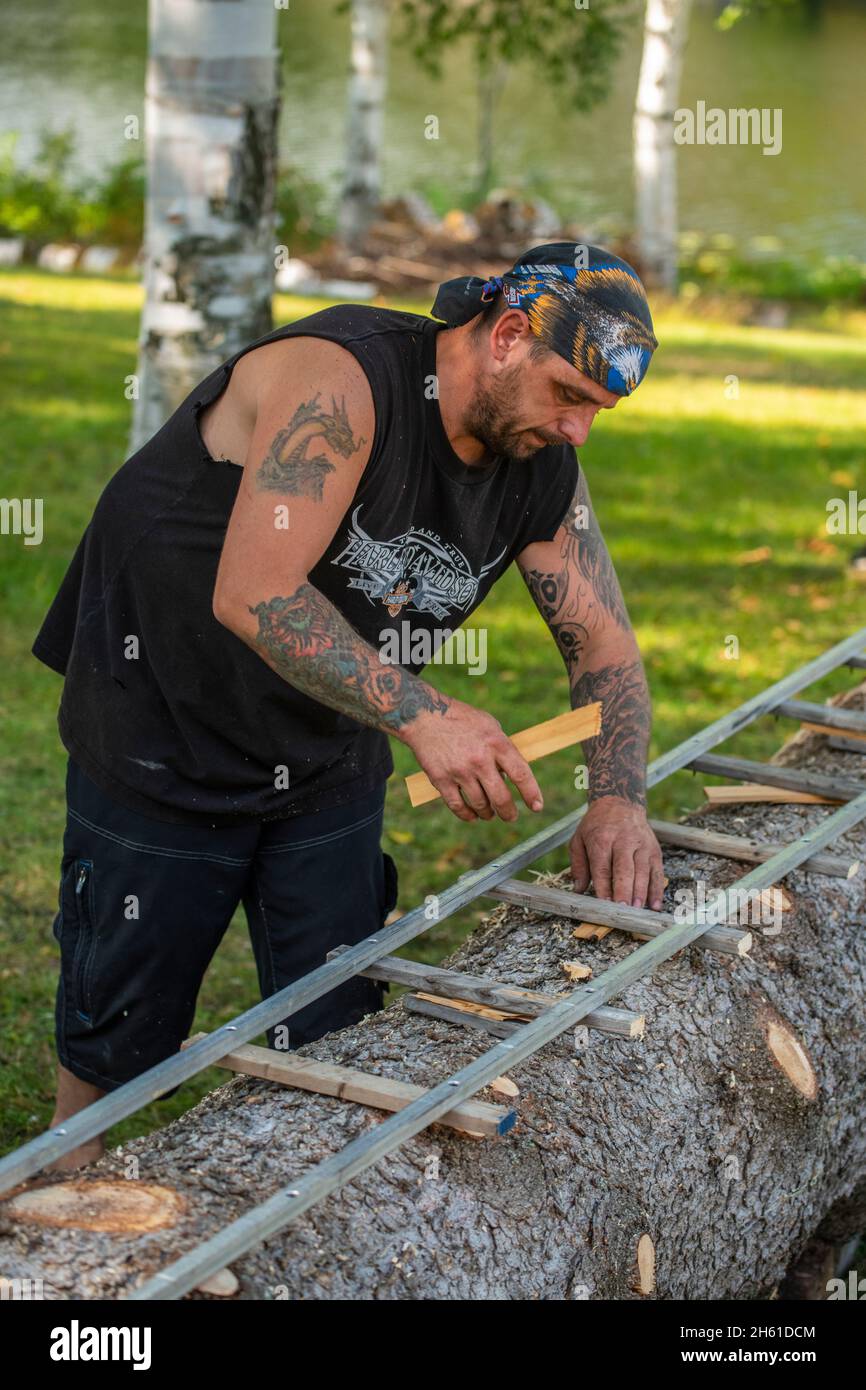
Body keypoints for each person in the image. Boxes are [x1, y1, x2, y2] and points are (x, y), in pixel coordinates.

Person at [32, 241, 665, 1168]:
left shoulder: (537, 463)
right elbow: (255, 592)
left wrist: (618, 798)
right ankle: (50, 1215)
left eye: (597, 412)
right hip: (163, 718)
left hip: (327, 736)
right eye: (570, 395)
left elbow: (605, 647)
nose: (579, 430)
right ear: (508, 336)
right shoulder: (342, 383)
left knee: (337, 1015)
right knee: (117, 1029)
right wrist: (426, 715)